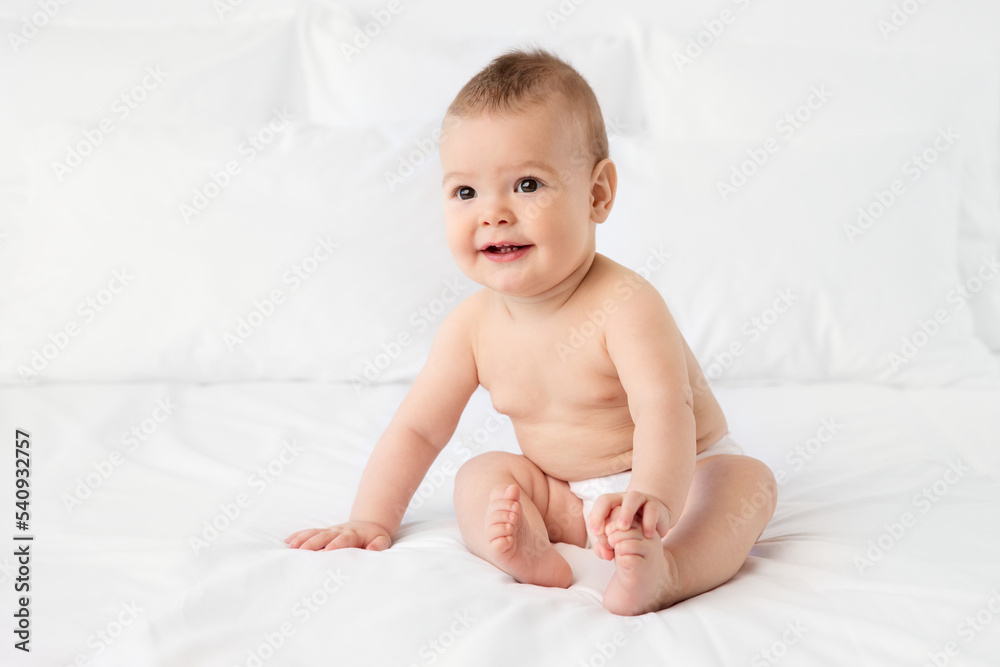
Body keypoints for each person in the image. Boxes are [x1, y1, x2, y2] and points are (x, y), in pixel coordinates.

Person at [286, 48, 777, 616]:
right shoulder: (471, 326)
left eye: (526, 184)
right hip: (569, 500)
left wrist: (652, 501)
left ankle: (670, 569)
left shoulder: (626, 304)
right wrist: (370, 518)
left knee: (749, 484)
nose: (492, 213)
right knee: (481, 476)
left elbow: (666, 408)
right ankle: (535, 556)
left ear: (597, 195)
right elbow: (419, 430)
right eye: (465, 192)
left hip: (680, 480)